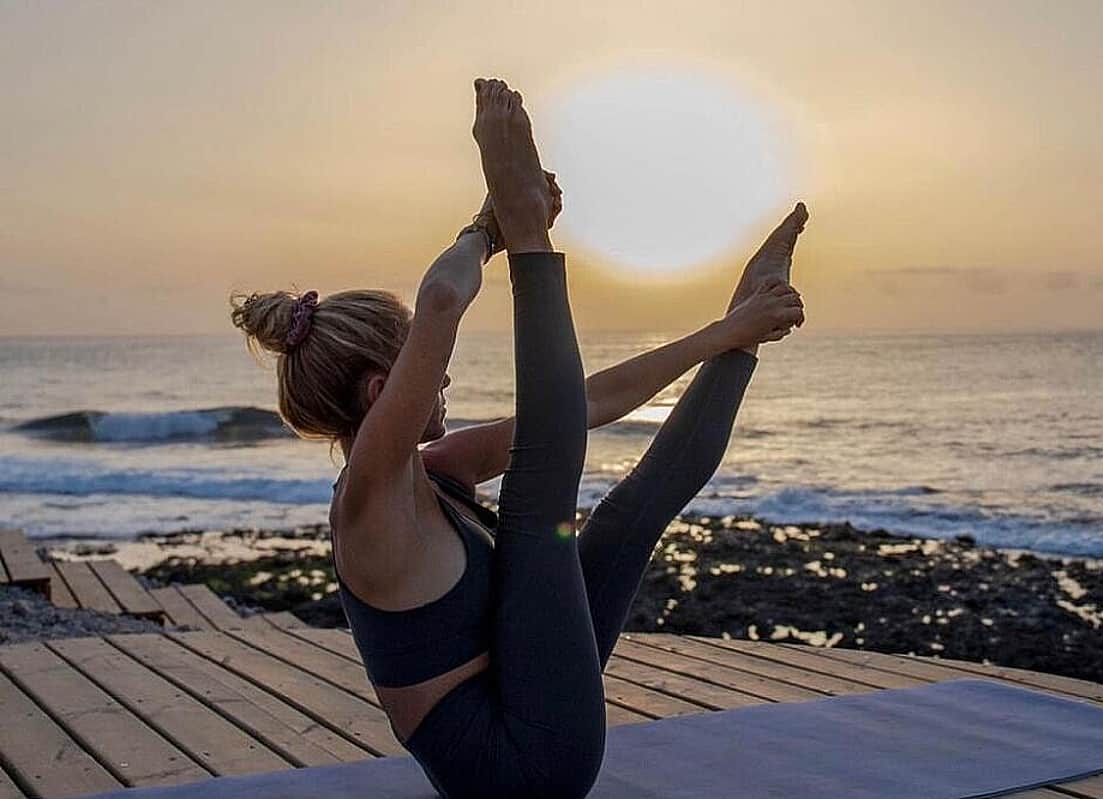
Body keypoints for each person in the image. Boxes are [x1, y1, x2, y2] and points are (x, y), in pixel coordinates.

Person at [230, 77, 808, 799]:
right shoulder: (367, 507)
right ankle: (539, 238)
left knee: (628, 511)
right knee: (541, 500)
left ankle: (742, 349)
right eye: (425, 365)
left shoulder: (431, 471)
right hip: (520, 769)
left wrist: (728, 331)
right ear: (384, 393)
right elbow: (445, 300)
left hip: (537, 707)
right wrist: (501, 225)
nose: (442, 381)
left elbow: (586, 402)